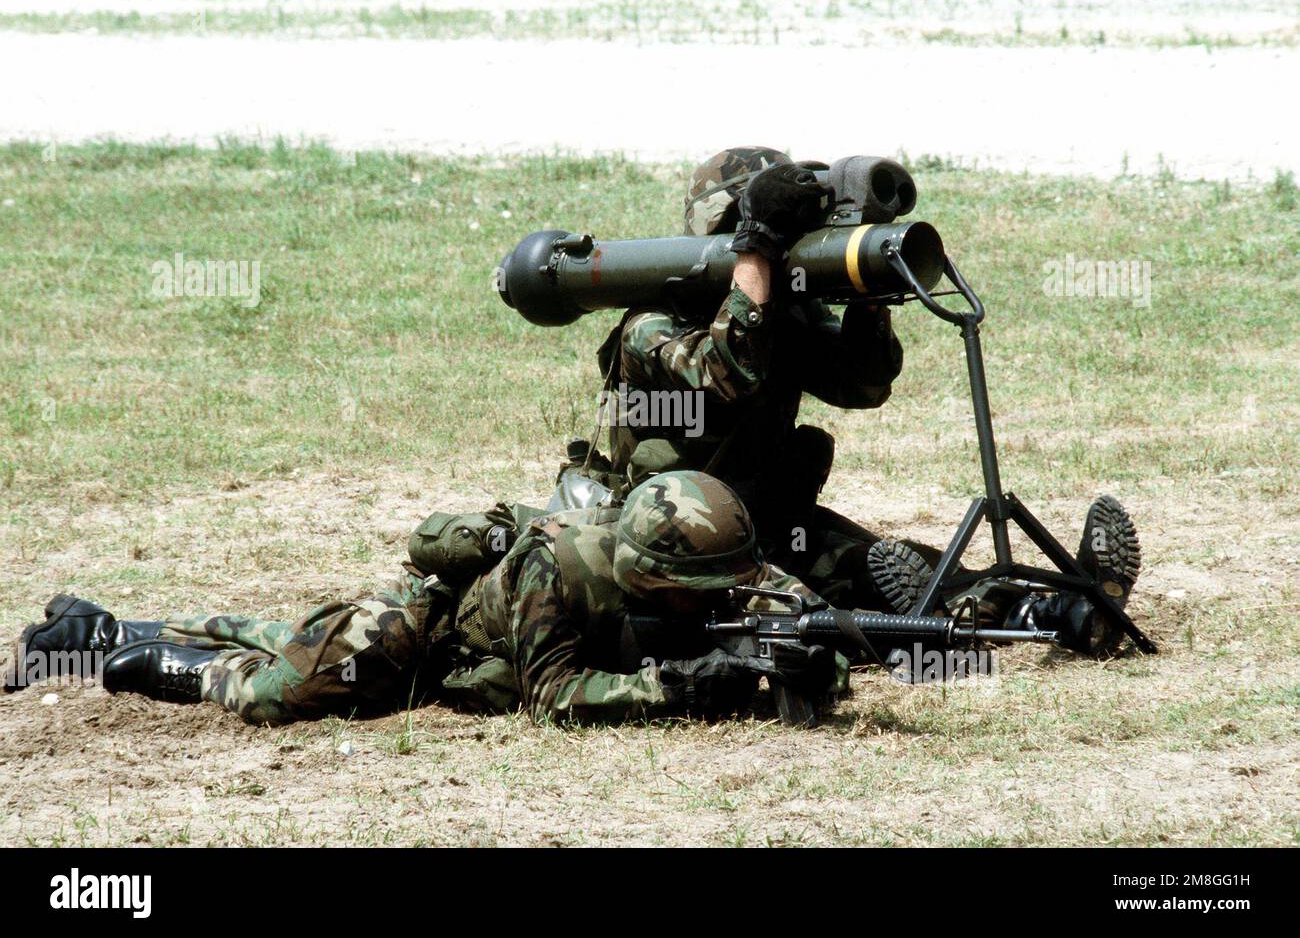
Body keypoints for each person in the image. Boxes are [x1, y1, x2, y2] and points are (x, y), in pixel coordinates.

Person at [590, 147, 1141, 644]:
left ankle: (1070, 613)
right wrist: (756, 250)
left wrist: (867, 295)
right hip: (664, 545)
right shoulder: (653, 325)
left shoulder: (786, 310)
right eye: (762, 229)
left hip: (761, 521)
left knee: (900, 568)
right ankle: (908, 637)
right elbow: (729, 372)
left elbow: (861, 385)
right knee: (812, 606)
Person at [5, 471, 837, 726]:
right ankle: (133, 655)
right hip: (430, 630)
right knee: (282, 686)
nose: (717, 601)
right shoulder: (564, 564)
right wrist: (678, 688)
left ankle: (99, 622)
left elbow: (794, 613)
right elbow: (552, 697)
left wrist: (812, 654)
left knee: (283, 633)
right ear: (649, 573)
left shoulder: (718, 556)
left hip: (482, 654)